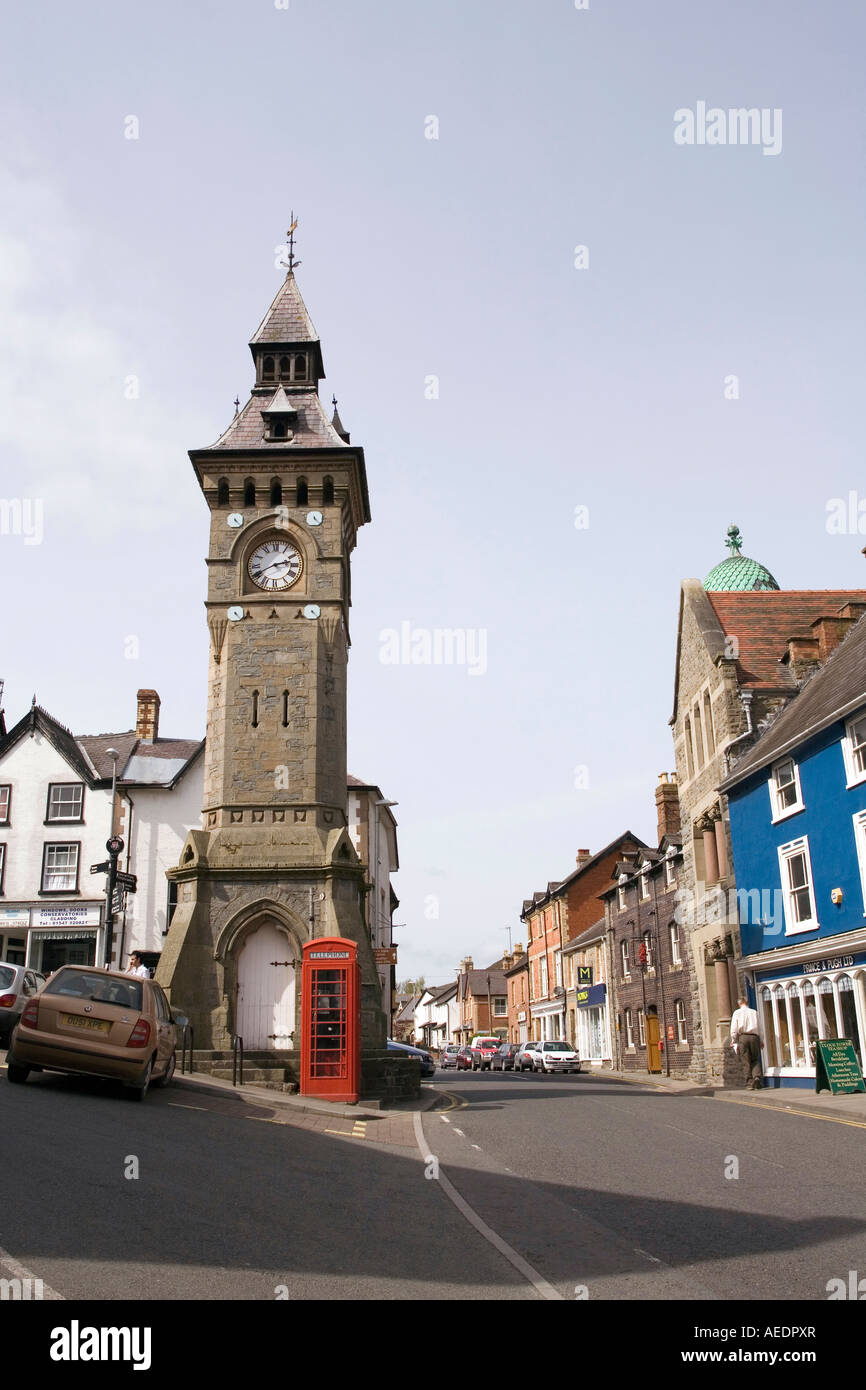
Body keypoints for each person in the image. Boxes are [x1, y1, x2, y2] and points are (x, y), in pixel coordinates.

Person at [731, 993, 763, 1089]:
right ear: (747, 1002)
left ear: (739, 1004)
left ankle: (749, 1084)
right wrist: (761, 1040)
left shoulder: (737, 1013)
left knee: (745, 1060)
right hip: (754, 1037)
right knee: (755, 1059)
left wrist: (733, 1039)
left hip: (743, 1037)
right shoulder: (754, 1012)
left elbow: (734, 1028)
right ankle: (757, 1077)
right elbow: (760, 1027)